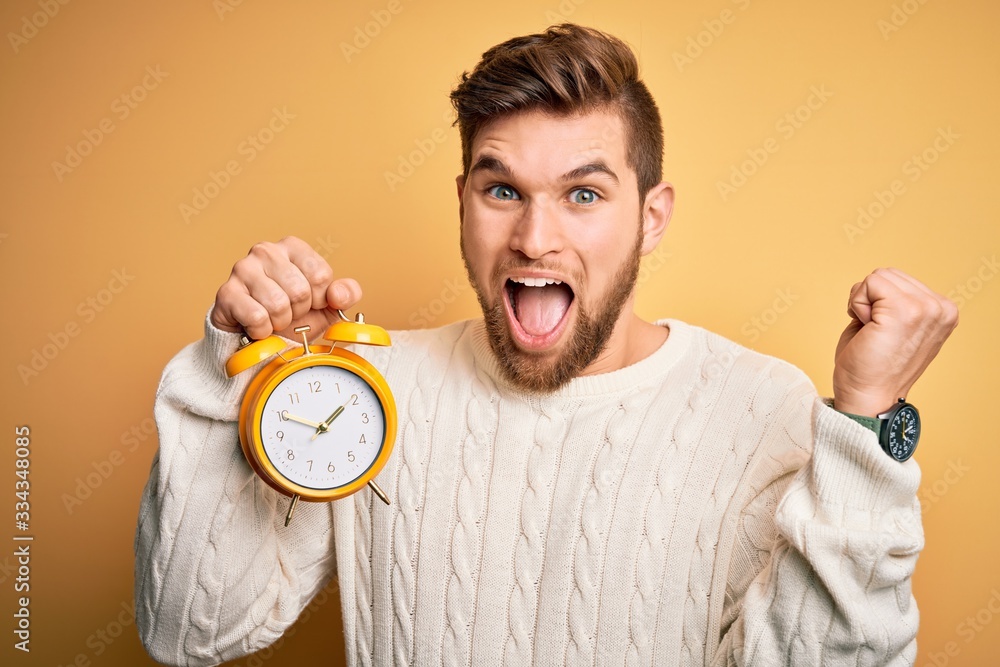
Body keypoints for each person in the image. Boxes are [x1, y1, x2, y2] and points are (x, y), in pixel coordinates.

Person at [134, 24, 957, 666]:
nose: (534, 237)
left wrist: (865, 426)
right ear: (463, 201)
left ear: (652, 214)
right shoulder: (364, 393)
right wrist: (238, 373)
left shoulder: (763, 408)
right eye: (502, 190)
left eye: (585, 193)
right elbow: (188, 630)